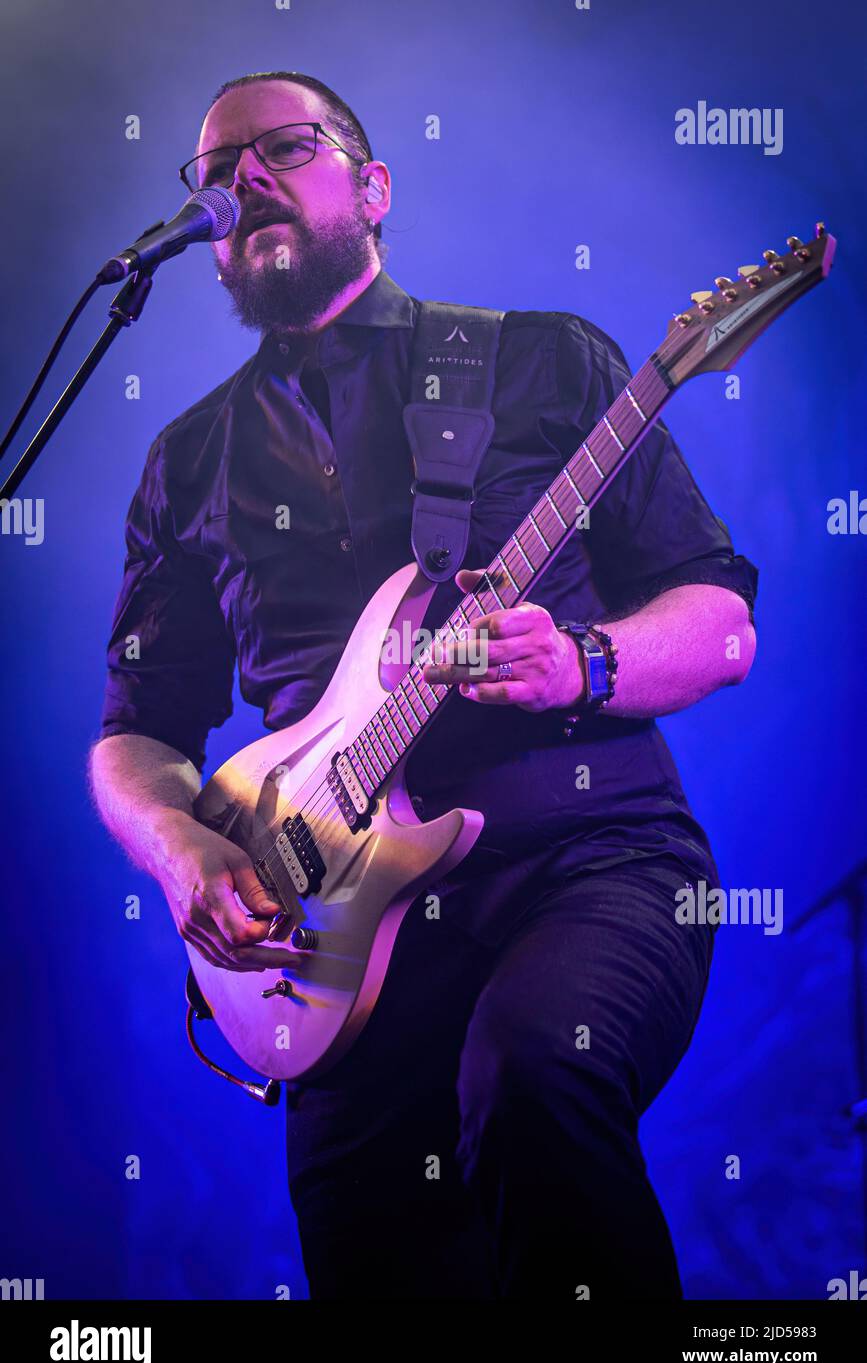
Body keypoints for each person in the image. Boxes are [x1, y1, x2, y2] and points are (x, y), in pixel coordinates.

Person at [89, 70, 758, 1299]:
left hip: (587, 859)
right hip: (331, 938)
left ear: (375, 186)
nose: (242, 179)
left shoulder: (542, 362)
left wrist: (588, 659)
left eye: (281, 147)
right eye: (214, 169)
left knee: (531, 1075)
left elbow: (720, 624)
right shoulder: (184, 462)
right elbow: (136, 736)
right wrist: (185, 856)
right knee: (370, 1250)